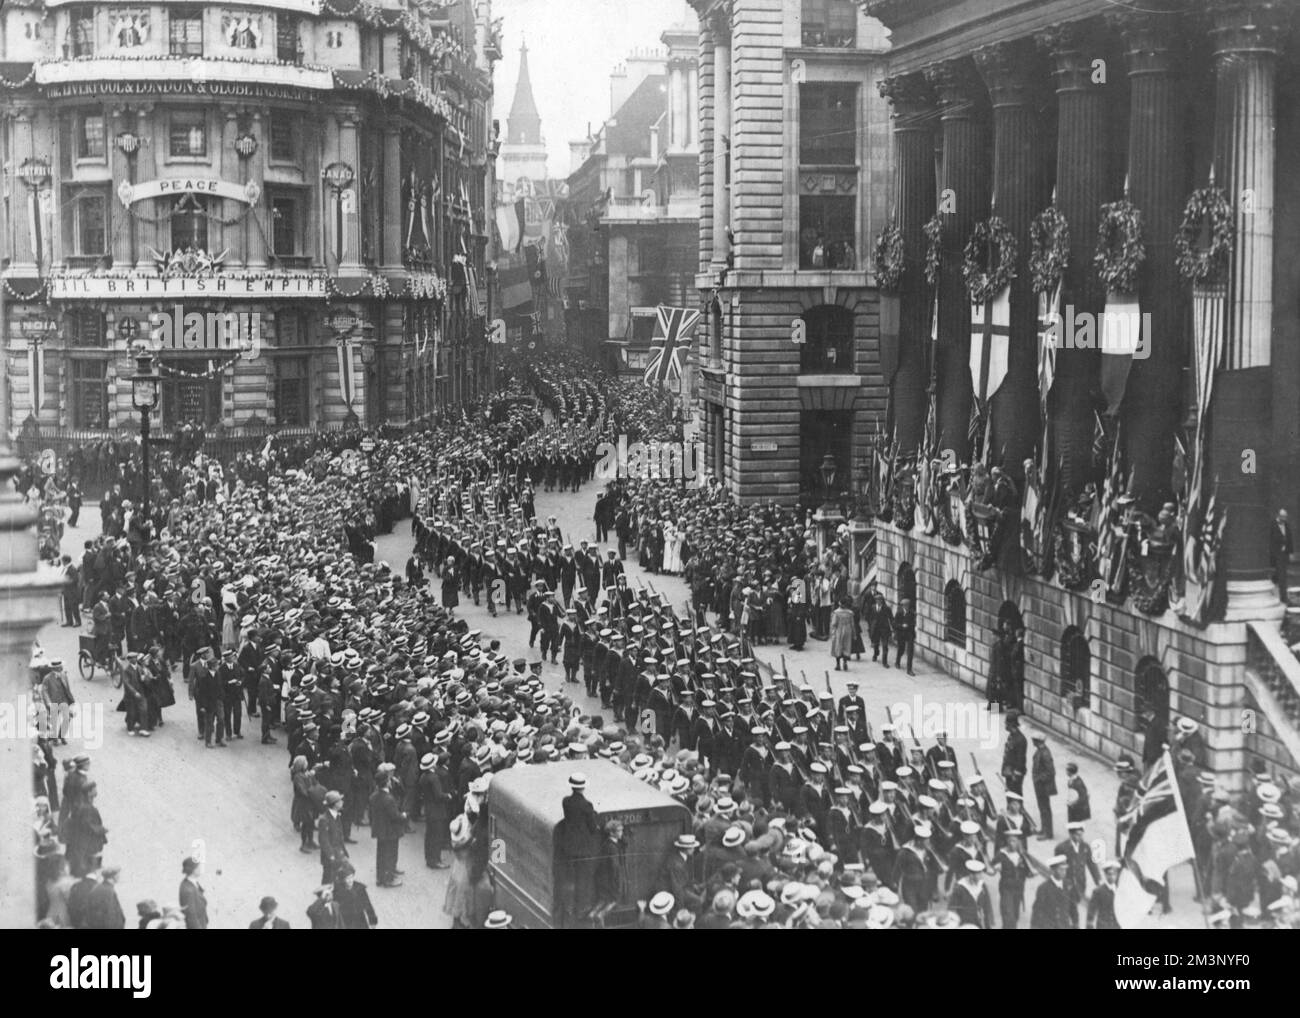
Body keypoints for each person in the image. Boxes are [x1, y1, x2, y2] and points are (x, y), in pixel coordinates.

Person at [558, 772, 601, 927]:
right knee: (583, 879)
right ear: (583, 787)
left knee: (571, 878)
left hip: (569, 846)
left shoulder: (566, 802)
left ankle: (568, 907)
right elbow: (592, 827)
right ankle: (581, 908)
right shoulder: (587, 805)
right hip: (583, 848)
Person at [369, 768, 406, 888]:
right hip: (390, 831)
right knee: (389, 854)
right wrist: (403, 816)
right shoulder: (389, 799)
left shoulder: (373, 796)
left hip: (380, 830)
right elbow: (395, 816)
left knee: (381, 855)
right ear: (387, 782)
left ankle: (380, 878)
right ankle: (388, 879)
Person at [1030, 854, 1075, 929]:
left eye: (1065, 869)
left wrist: (1076, 923)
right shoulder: (1043, 888)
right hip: (1048, 925)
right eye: (1060, 869)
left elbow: (1073, 906)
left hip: (1064, 925)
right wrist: (1034, 926)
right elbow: (1037, 909)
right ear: (1053, 870)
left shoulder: (1068, 886)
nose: (1064, 872)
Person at [333, 863, 378, 929]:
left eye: (352, 877)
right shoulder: (338, 891)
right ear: (342, 879)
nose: (350, 880)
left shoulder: (360, 889)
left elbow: (368, 905)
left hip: (360, 920)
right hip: (345, 921)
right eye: (347, 878)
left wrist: (372, 921)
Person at [317, 789, 348, 885]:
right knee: (328, 879)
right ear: (335, 804)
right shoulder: (324, 819)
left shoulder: (336, 815)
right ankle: (324, 898)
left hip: (338, 853)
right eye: (340, 801)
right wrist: (331, 856)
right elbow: (323, 841)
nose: (342, 802)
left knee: (337, 878)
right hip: (330, 857)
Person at [1031, 734, 1056, 840]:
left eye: (1034, 740)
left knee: (1045, 809)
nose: (1032, 742)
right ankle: (1044, 829)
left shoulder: (1045, 753)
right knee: (1042, 808)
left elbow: (1051, 771)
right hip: (1040, 785)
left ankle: (1048, 833)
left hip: (1044, 786)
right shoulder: (1040, 751)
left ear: (1038, 741)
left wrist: (1039, 779)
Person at [85, 864, 125, 930]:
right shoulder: (109, 891)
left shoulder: (97, 888)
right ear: (113, 876)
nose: (119, 877)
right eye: (118, 874)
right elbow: (110, 916)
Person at [1001, 711, 1027, 797]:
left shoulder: (1020, 739)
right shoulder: (1012, 736)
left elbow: (1021, 760)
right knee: (1010, 796)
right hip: (1009, 772)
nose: (1005, 725)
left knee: (1015, 798)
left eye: (1006, 723)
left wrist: (1016, 775)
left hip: (1014, 776)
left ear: (1011, 724)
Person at [179, 856, 209, 930]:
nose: (200, 869)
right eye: (198, 867)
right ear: (192, 869)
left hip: (201, 924)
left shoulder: (193, 884)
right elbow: (191, 915)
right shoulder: (188, 889)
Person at [1271, 508, 1292, 602]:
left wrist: (1290, 552)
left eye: (1285, 516)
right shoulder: (1271, 525)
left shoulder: (1286, 525)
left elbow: (1290, 539)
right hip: (1276, 555)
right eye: (1282, 516)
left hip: (1284, 555)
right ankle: (1284, 598)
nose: (1284, 518)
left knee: (1281, 576)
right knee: (1282, 577)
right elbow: (1269, 541)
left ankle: (1282, 597)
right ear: (1278, 515)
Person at [829, 597, 855, 671]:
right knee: (846, 647)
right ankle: (845, 662)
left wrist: (833, 634)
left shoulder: (836, 613)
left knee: (838, 647)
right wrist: (854, 634)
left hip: (839, 630)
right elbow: (852, 624)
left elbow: (834, 624)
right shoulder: (850, 613)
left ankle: (838, 664)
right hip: (848, 630)